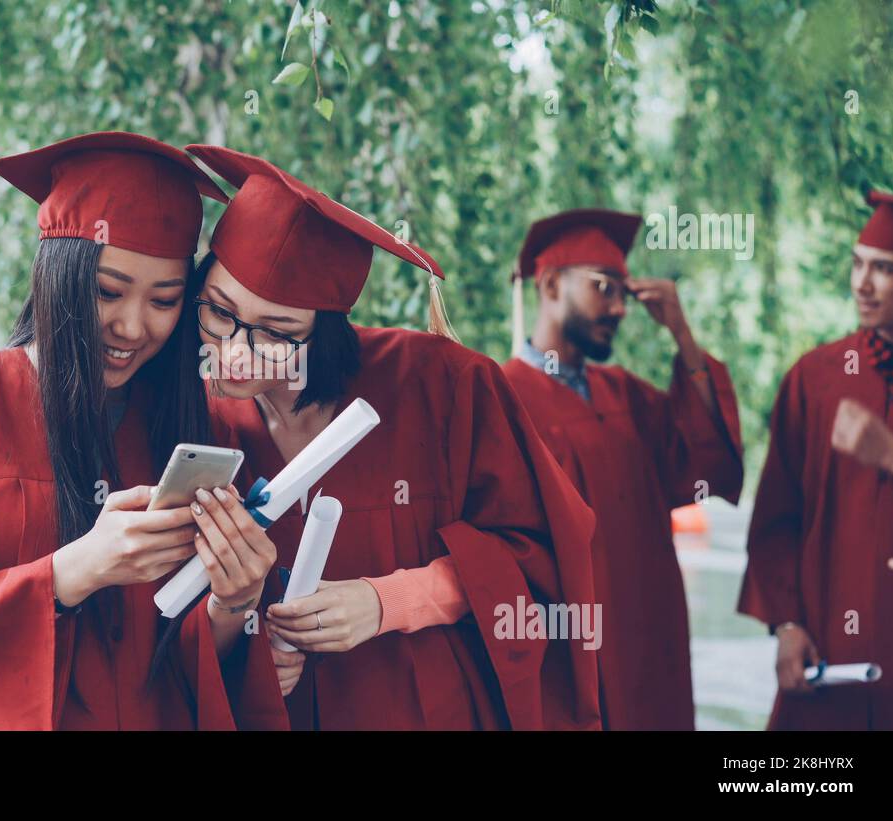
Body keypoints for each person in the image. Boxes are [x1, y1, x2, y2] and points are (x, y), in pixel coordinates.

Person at [0, 132, 286, 730]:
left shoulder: (195, 434)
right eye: (108, 291)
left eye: (164, 300)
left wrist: (233, 604)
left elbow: (187, 674)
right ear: (57, 274)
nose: (133, 326)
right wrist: (71, 572)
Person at [185, 143, 602, 730]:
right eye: (218, 311)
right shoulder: (194, 419)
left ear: (326, 333)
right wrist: (243, 652)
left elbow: (542, 554)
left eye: (278, 333)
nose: (236, 352)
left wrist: (390, 601)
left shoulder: (443, 385)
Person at [500, 209, 744, 729]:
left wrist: (681, 333)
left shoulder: (628, 395)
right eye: (603, 289)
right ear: (549, 285)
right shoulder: (502, 398)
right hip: (565, 651)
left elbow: (705, 461)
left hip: (647, 638)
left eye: (622, 293)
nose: (619, 308)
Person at [739, 189, 893, 730]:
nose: (862, 283)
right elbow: (775, 520)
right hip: (830, 662)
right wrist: (786, 624)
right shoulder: (817, 379)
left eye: (884, 269)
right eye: (857, 265)